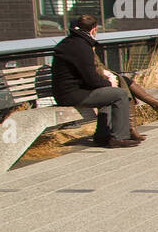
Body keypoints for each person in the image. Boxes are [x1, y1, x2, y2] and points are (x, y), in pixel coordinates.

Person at [50, 16, 140, 148]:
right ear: (93, 30)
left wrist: (105, 85)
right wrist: (109, 84)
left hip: (64, 92)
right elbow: (91, 78)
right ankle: (119, 137)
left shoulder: (70, 42)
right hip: (72, 94)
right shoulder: (82, 47)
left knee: (108, 95)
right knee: (119, 94)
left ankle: (102, 136)